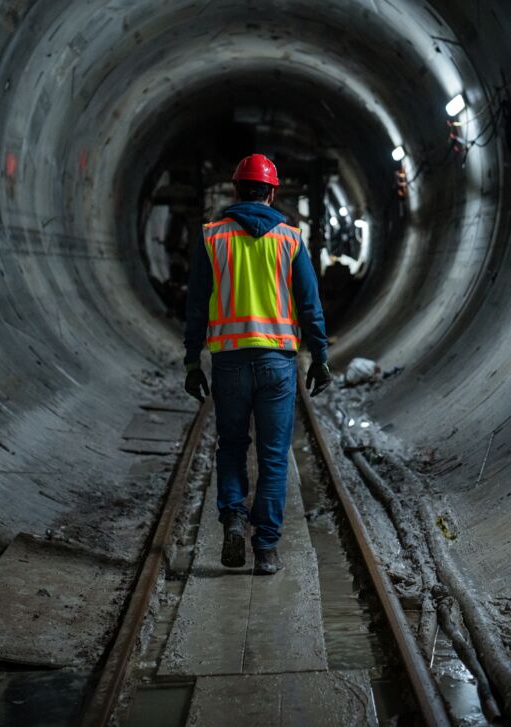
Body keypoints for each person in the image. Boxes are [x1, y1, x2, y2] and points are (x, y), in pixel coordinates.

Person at [183, 153, 332, 575]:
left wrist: (192, 361)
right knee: (273, 456)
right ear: (271, 191)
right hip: (277, 364)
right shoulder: (290, 238)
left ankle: (233, 517)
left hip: (228, 362)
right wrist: (319, 355)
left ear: (235, 191)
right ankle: (265, 549)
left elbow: (195, 306)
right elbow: (309, 303)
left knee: (231, 446)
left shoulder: (212, 237)